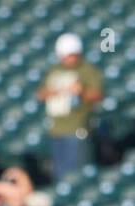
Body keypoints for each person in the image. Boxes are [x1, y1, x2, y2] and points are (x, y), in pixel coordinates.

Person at [38, 33, 104, 181]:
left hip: (77, 128)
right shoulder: (55, 70)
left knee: (76, 173)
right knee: (61, 174)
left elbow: (98, 95)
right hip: (57, 129)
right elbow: (41, 94)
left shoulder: (87, 70)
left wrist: (81, 91)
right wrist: (55, 91)